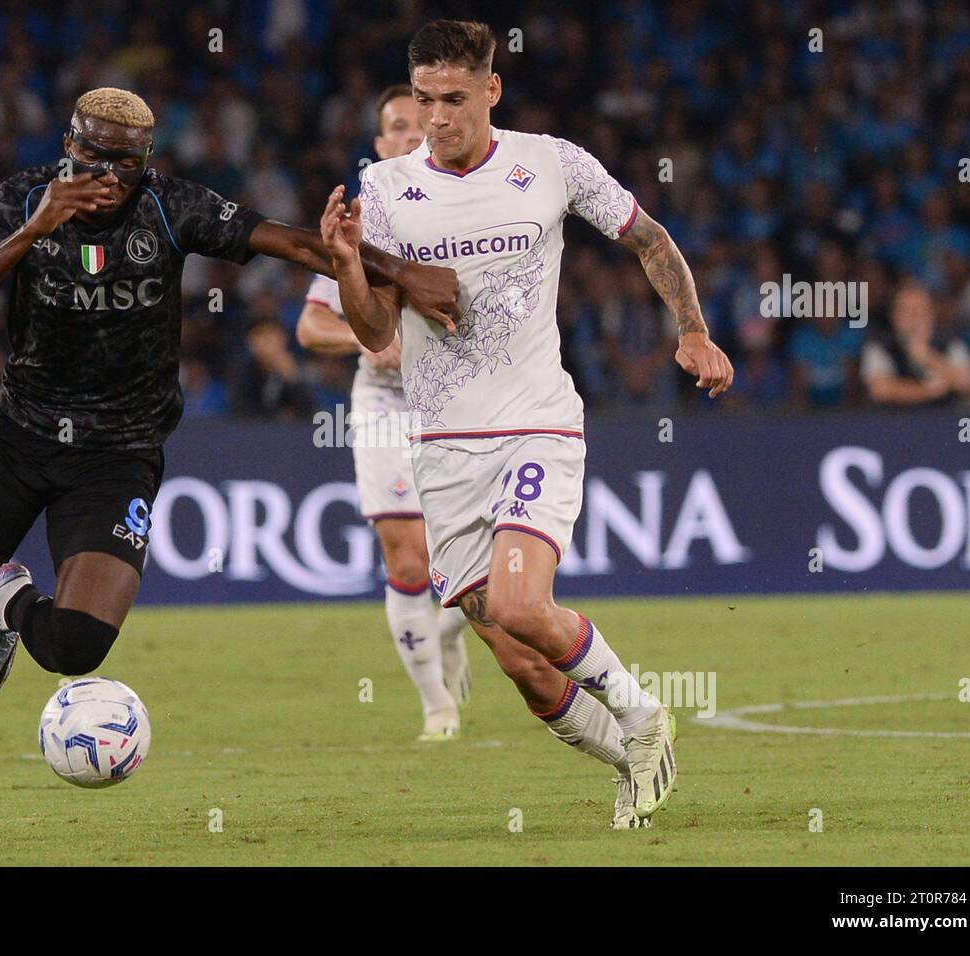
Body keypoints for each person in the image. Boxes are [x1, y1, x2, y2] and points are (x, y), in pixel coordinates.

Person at [0, 87, 458, 843]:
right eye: (89, 153)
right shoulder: (22, 199)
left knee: (75, 647)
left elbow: (300, 243)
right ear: (68, 143)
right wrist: (34, 229)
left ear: (147, 162)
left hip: (118, 453)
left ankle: (8, 604)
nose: (102, 172)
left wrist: (399, 274)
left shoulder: (171, 206)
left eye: (121, 161)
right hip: (15, 435)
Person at [321, 21, 734, 827]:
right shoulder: (387, 190)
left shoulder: (549, 162)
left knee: (517, 605)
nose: (437, 118)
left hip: (535, 424)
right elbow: (374, 334)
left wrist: (692, 328)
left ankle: (643, 712)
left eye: (453, 99)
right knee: (515, 655)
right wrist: (346, 264)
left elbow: (648, 238)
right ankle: (629, 760)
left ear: (490, 90)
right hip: (440, 446)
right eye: (425, 100)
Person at [297, 84, 471, 741]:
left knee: (478, 568)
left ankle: (449, 626)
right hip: (384, 408)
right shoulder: (359, 226)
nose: (406, 136)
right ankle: (437, 706)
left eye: (417, 125)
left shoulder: (468, 210)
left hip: (463, 404)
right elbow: (312, 327)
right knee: (407, 563)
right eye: (394, 127)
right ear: (378, 146)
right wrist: (371, 340)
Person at [862, 284, 970, 407]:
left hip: (945, 422)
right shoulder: (879, 346)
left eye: (920, 310)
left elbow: (965, 384)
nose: (914, 317)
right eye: (906, 310)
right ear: (894, 316)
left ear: (931, 314)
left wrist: (927, 356)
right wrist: (929, 391)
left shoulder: (951, 343)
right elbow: (880, 390)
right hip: (895, 422)